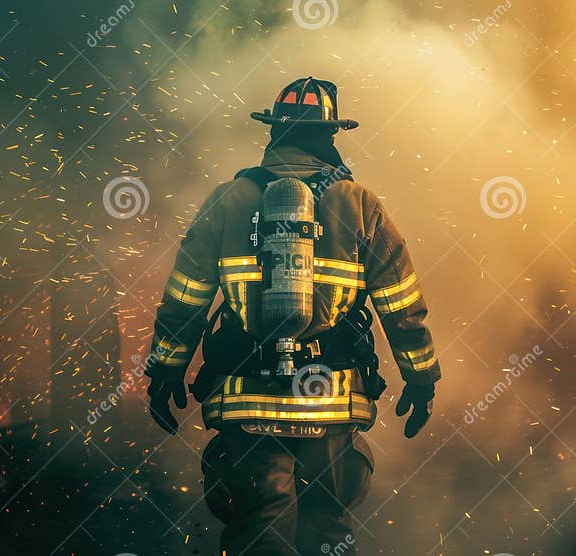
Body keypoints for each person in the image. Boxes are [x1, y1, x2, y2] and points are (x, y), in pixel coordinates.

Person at [144, 77, 441, 555]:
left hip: (247, 399)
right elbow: (402, 303)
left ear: (273, 132)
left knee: (259, 528)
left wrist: (165, 369)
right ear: (330, 134)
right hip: (331, 398)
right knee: (326, 529)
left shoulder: (229, 198)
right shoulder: (359, 204)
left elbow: (185, 299)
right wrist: (421, 376)